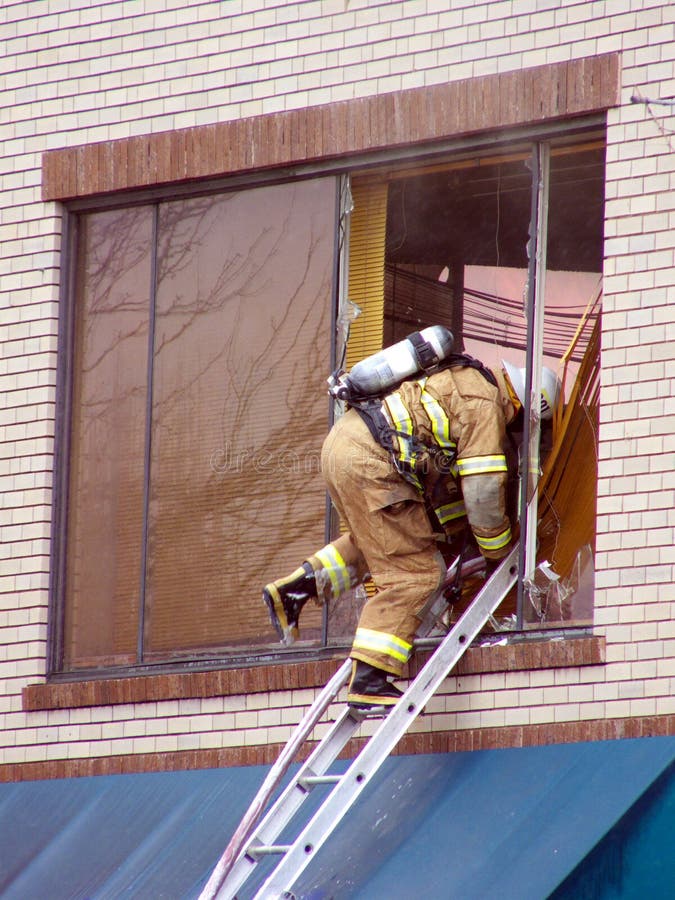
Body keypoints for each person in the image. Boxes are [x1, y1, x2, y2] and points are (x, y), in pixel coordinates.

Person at [263, 352, 561, 713]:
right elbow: (482, 488)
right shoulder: (484, 402)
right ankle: (369, 679)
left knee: (376, 541)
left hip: (342, 445)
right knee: (415, 575)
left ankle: (293, 592)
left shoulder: (457, 376)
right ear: (527, 404)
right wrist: (498, 551)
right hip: (371, 459)